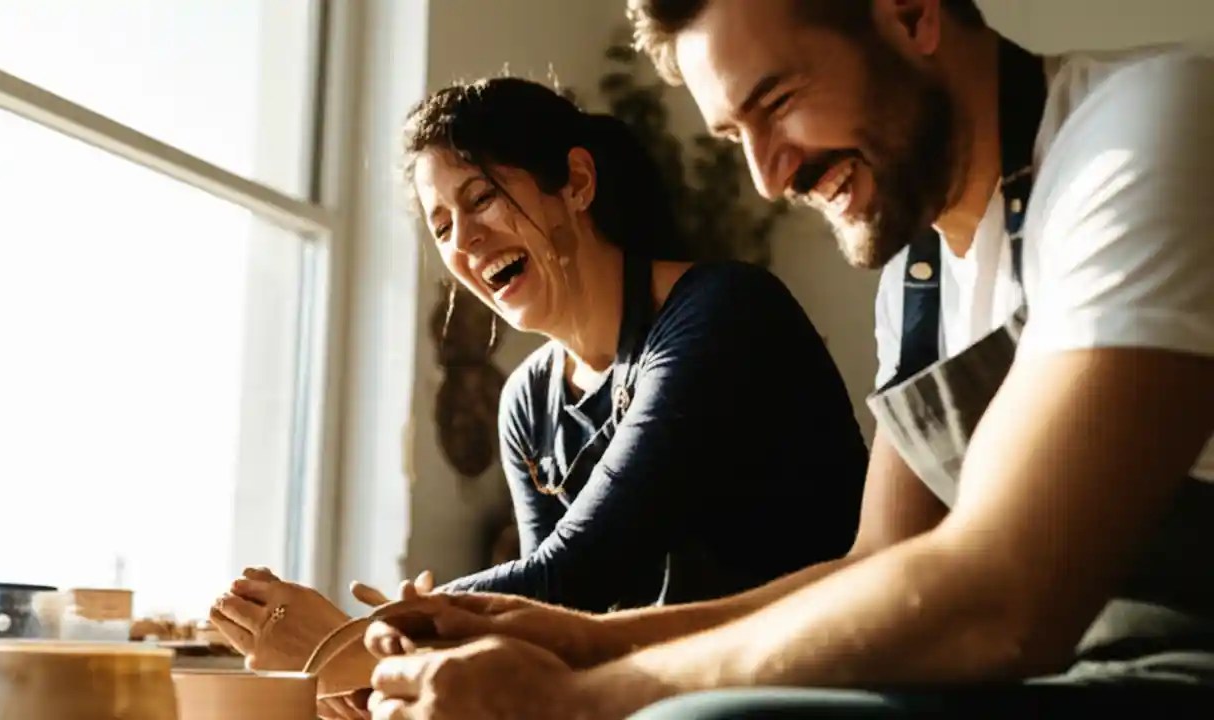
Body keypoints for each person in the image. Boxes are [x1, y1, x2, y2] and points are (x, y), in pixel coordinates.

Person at [356, 1, 1214, 718]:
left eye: (780, 100)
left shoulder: (1141, 132)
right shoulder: (917, 281)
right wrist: (585, 639)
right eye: (737, 137)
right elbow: (877, 560)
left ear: (911, 13)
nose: (770, 178)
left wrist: (583, 696)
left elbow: (1005, 596)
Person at [207, 75, 871, 715]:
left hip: (809, 684)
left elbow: (574, 574)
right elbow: (555, 625)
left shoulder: (722, 311)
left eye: (481, 199)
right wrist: (397, 674)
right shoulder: (527, 401)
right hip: (653, 698)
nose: (465, 241)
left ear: (576, 183)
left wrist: (353, 645)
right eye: (441, 227)